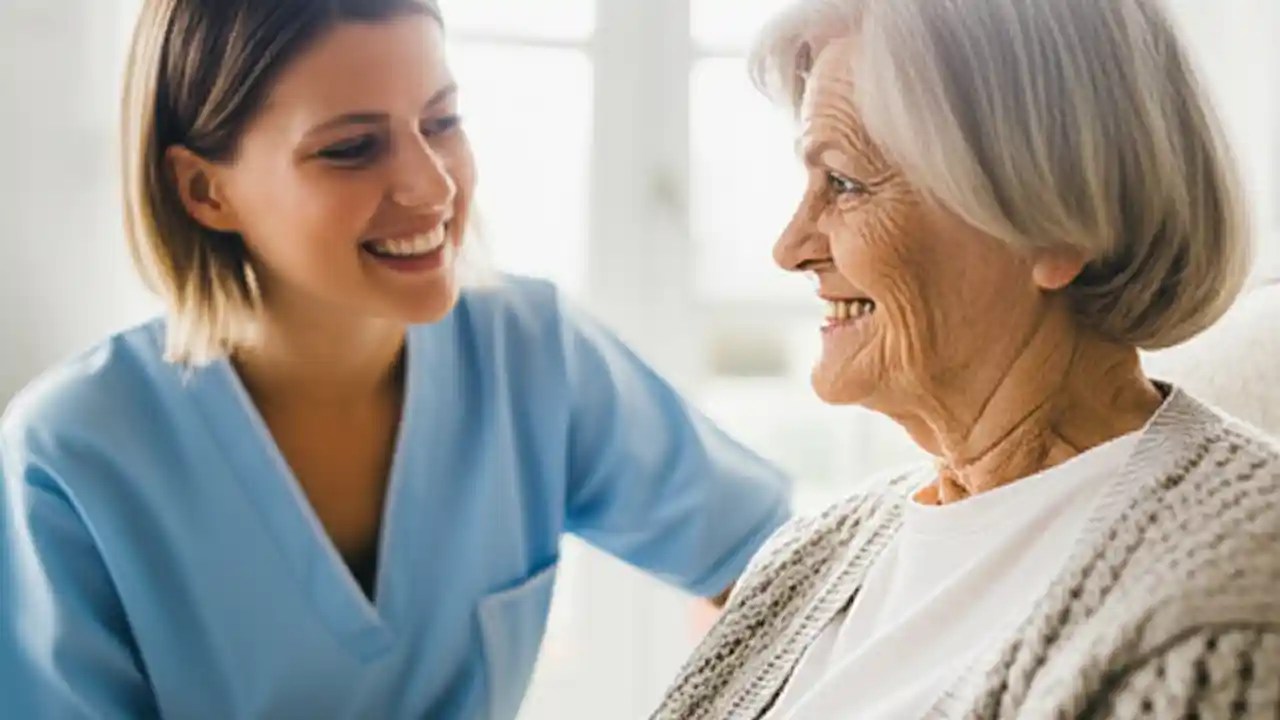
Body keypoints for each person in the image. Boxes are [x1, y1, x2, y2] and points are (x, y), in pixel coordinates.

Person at [0, 1, 790, 718]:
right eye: (350, 148)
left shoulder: (532, 351)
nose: (430, 183)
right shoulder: (72, 453)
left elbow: (784, 571)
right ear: (205, 189)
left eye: (442, 121)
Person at [654, 0, 1280, 718]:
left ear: (1055, 223)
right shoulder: (809, 558)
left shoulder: (1229, 607)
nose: (791, 246)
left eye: (847, 183)